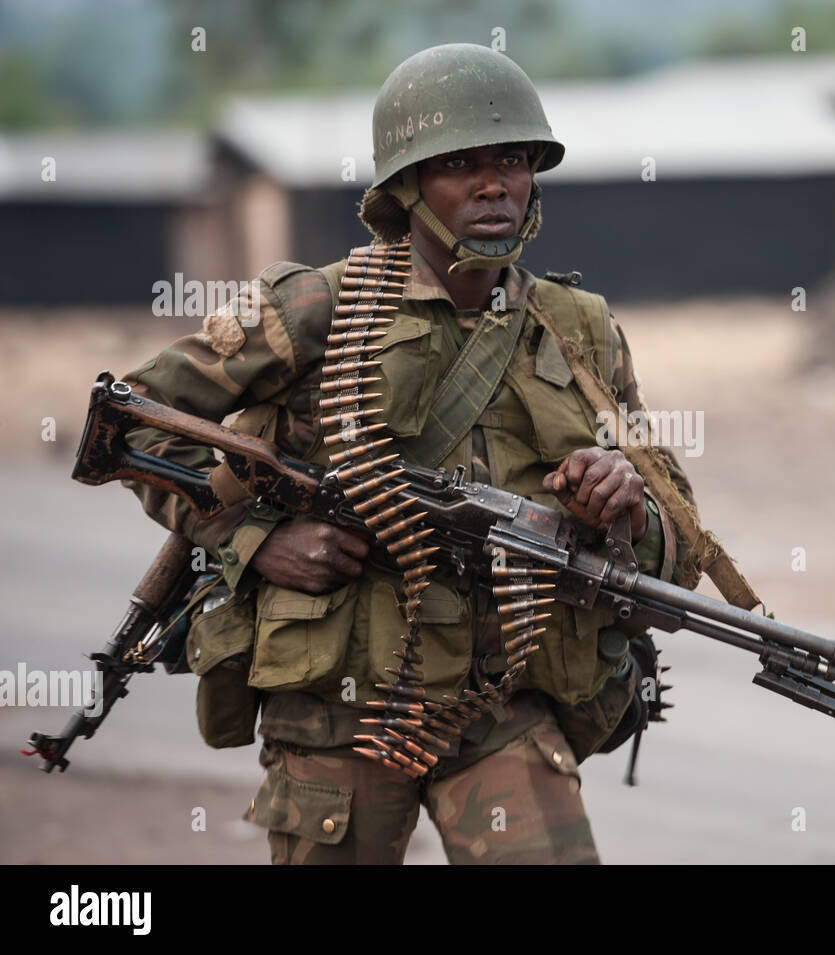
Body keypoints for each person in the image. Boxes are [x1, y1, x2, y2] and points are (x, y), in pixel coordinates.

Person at [119, 43, 697, 865]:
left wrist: (626, 504)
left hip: (502, 706)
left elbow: (678, 557)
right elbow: (135, 421)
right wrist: (255, 539)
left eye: (513, 160)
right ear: (407, 187)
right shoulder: (318, 307)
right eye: (461, 163)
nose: (494, 183)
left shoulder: (578, 328)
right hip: (337, 710)